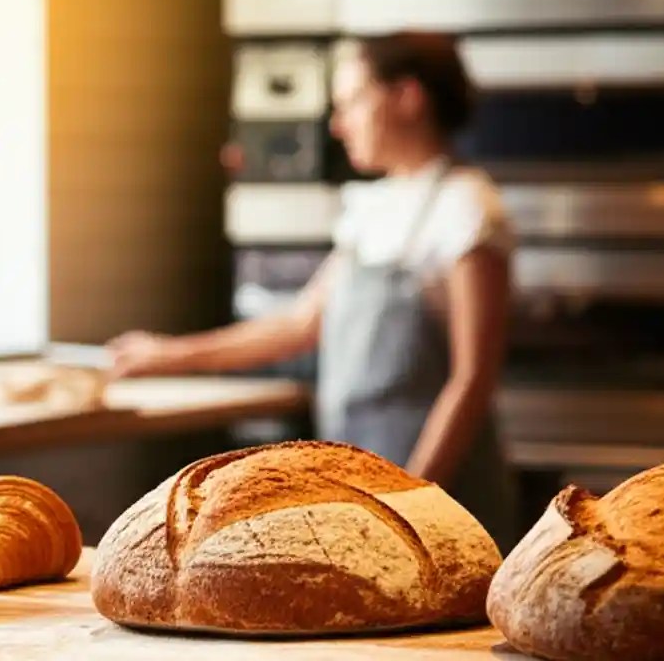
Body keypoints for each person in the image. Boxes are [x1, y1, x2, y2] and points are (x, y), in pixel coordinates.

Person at [108, 32, 517, 549]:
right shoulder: (372, 210)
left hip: (442, 498)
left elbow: (472, 378)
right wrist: (168, 354)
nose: (337, 124)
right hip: (365, 492)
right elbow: (299, 325)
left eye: (351, 102)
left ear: (407, 98)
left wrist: (414, 498)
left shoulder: (468, 209)